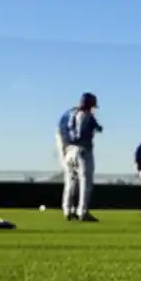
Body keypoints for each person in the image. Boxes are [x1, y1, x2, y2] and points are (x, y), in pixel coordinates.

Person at [56, 92, 102, 222]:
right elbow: (81, 133)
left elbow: (60, 130)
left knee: (70, 181)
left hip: (69, 150)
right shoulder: (86, 115)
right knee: (85, 182)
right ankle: (82, 211)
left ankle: (67, 209)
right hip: (82, 150)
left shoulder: (68, 114)